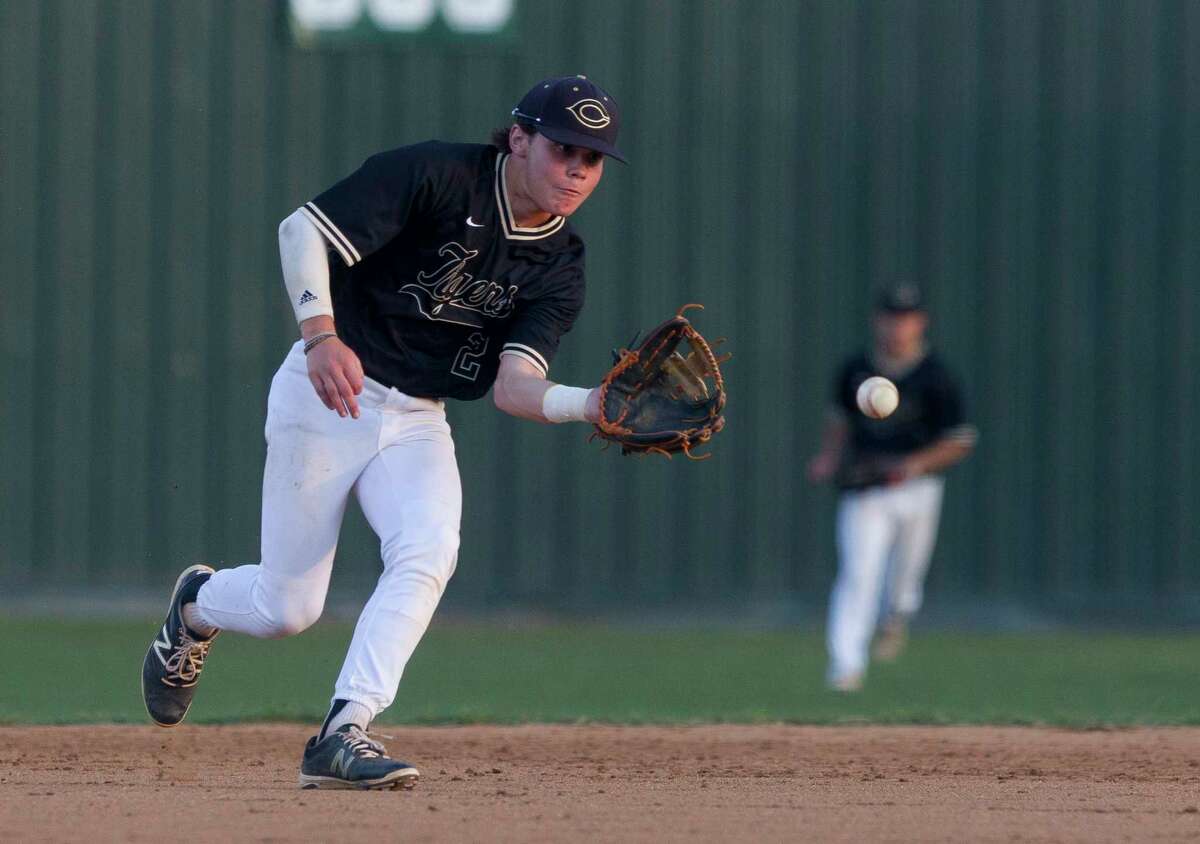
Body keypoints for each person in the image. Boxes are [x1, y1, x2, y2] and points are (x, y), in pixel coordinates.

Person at [141, 75, 626, 789]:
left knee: (430, 552)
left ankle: (345, 731)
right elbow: (299, 230)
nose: (578, 170)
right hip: (330, 389)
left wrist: (589, 404)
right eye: (564, 150)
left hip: (419, 417)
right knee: (287, 609)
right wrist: (319, 335)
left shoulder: (561, 263)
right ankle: (195, 606)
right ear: (519, 139)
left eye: (593, 159)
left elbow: (514, 387)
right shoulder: (437, 175)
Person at [807, 284, 977, 692]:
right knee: (858, 573)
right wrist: (829, 456)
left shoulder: (936, 376)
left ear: (920, 322)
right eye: (890, 316)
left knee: (903, 582)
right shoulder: (856, 369)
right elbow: (839, 421)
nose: (897, 326)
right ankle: (845, 665)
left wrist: (915, 464)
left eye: (906, 317)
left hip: (918, 489)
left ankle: (895, 617)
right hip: (866, 485)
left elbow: (961, 440)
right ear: (877, 320)